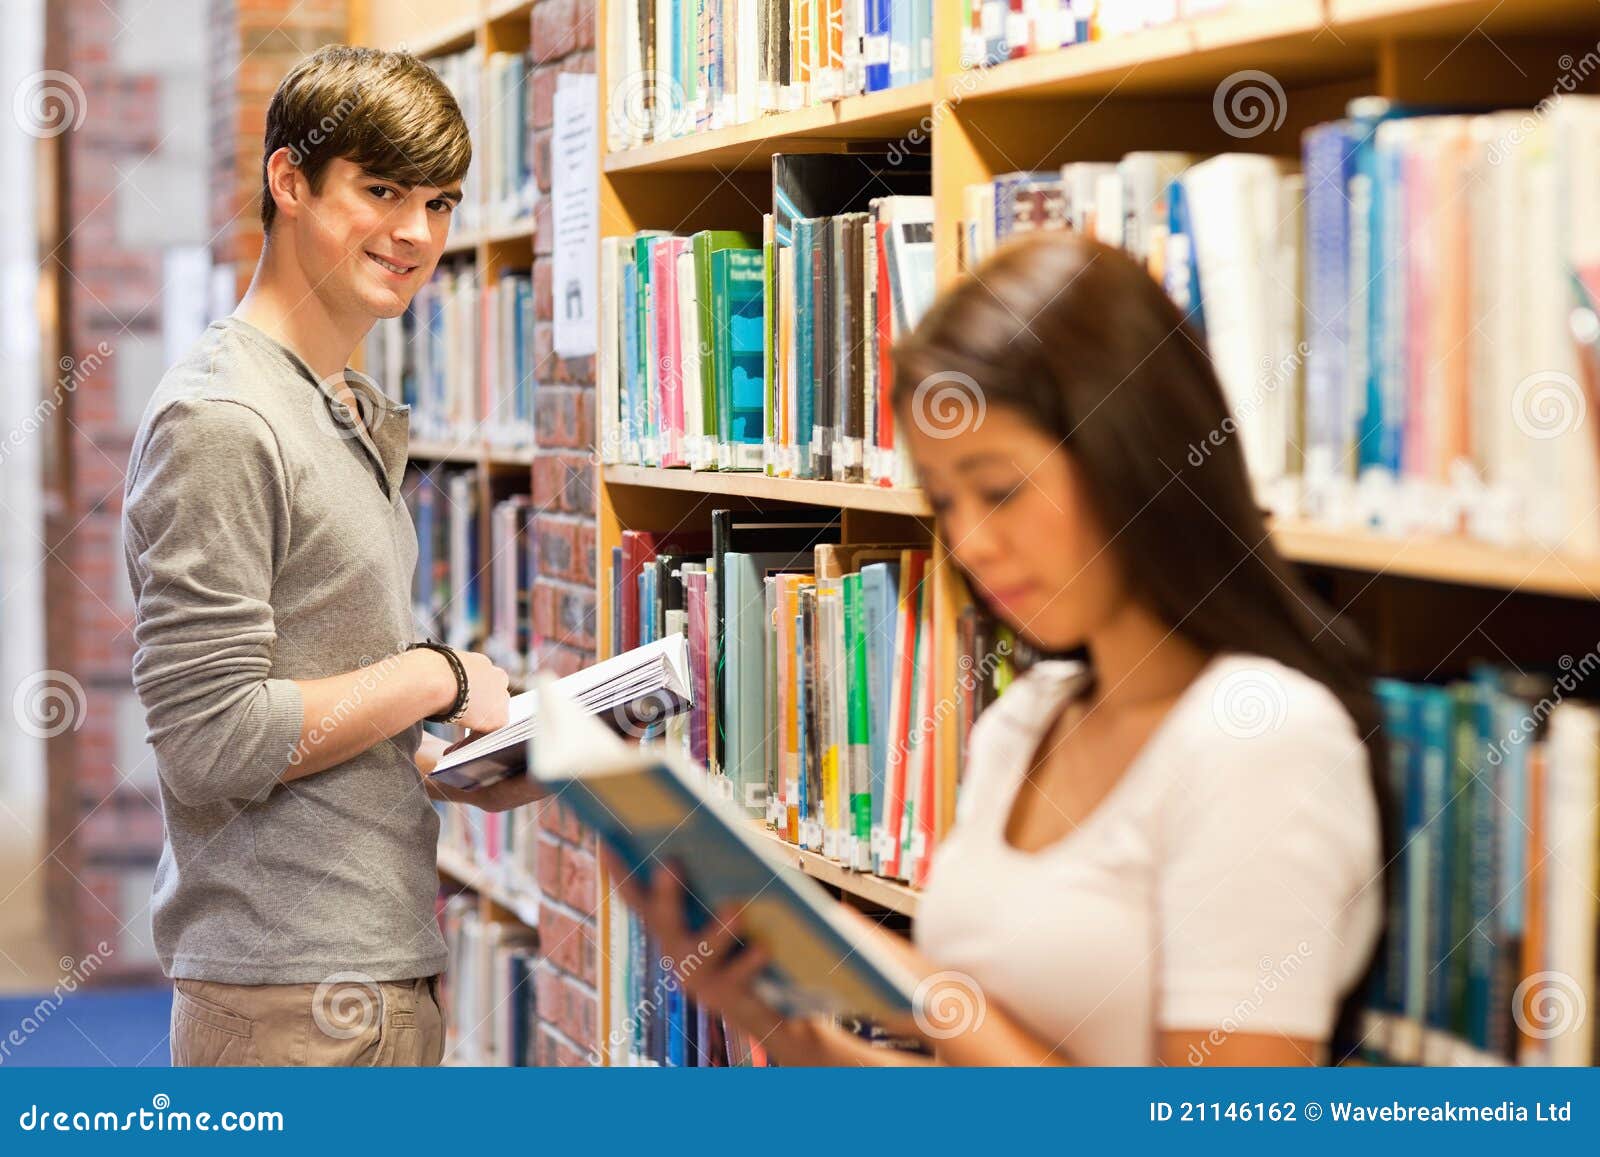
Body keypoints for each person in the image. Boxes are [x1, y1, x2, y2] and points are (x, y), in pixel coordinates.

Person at [611, 232, 1389, 1066]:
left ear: (1129, 450)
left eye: (1001, 489)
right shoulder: (1027, 718)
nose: (970, 543)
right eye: (945, 501)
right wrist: (785, 1022)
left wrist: (935, 999)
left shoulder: (1260, 736)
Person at [122, 45, 543, 1067]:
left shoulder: (333, 403)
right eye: (382, 189)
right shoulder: (222, 418)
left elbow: (312, 695)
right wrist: (435, 674)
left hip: (371, 965)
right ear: (289, 180)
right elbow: (212, 740)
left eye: (440, 202)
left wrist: (460, 761)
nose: (416, 232)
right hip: (285, 999)